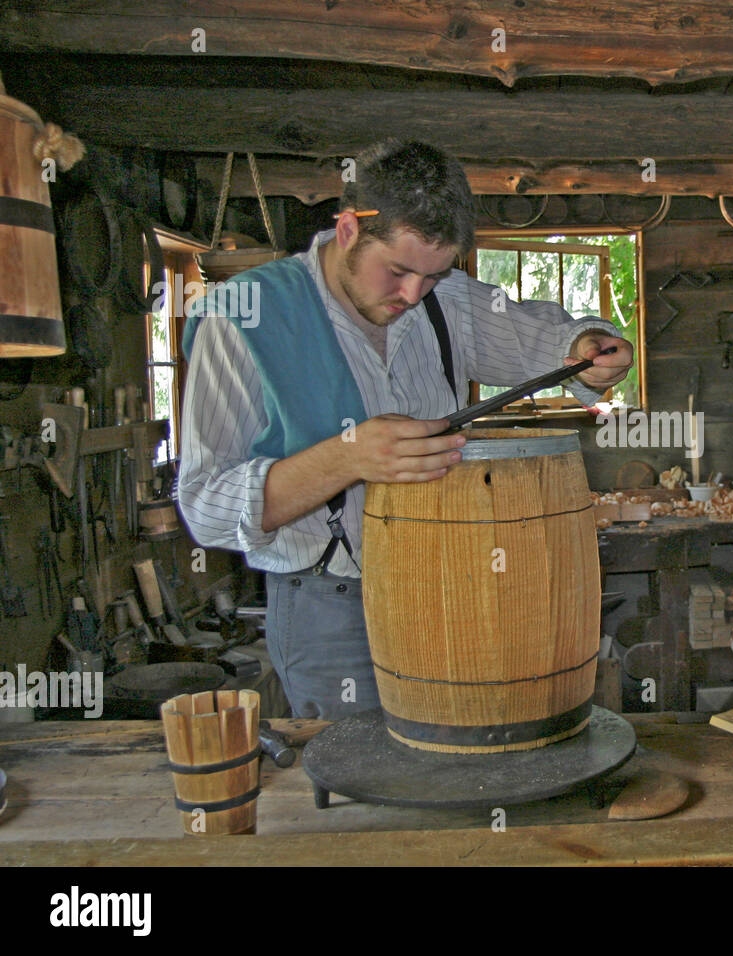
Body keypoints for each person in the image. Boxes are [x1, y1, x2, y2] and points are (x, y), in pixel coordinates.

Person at [177, 139, 632, 719]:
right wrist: (346, 458)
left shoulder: (444, 300)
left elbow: (543, 340)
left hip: (450, 584)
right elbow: (204, 508)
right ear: (347, 229)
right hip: (330, 610)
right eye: (397, 271)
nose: (412, 295)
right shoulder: (240, 316)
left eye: (433, 276)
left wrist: (586, 347)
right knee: (363, 795)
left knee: (464, 774)